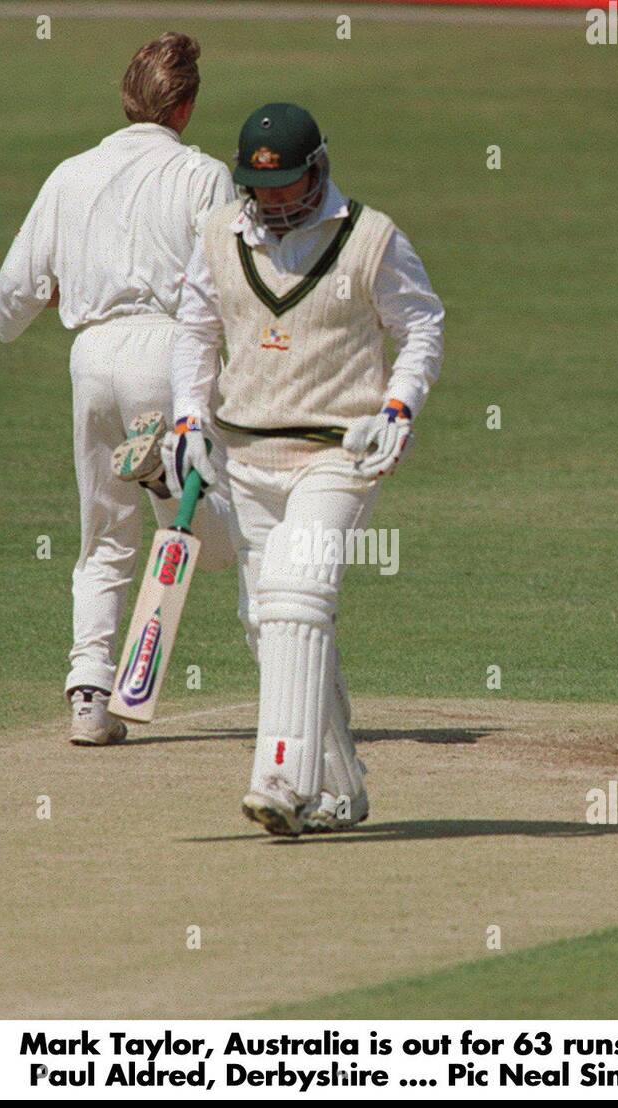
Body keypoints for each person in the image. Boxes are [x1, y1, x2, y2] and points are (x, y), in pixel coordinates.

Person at [169, 103, 444, 835]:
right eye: (262, 187)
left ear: (319, 168)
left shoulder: (370, 237)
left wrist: (398, 407)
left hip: (338, 451)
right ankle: (341, 789)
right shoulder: (219, 234)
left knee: (297, 591)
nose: (276, 199)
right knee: (271, 623)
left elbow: (421, 324)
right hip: (246, 457)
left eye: (289, 184)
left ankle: (282, 781)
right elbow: (195, 330)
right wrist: (188, 417)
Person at [0, 32, 236, 746]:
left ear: (127, 98)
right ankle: (162, 478)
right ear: (185, 107)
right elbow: (226, 282)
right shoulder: (203, 175)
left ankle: (89, 698)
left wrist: (71, 287)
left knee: (102, 537)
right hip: (173, 350)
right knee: (217, 539)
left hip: (91, 357)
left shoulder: (70, 174)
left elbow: (8, 305)